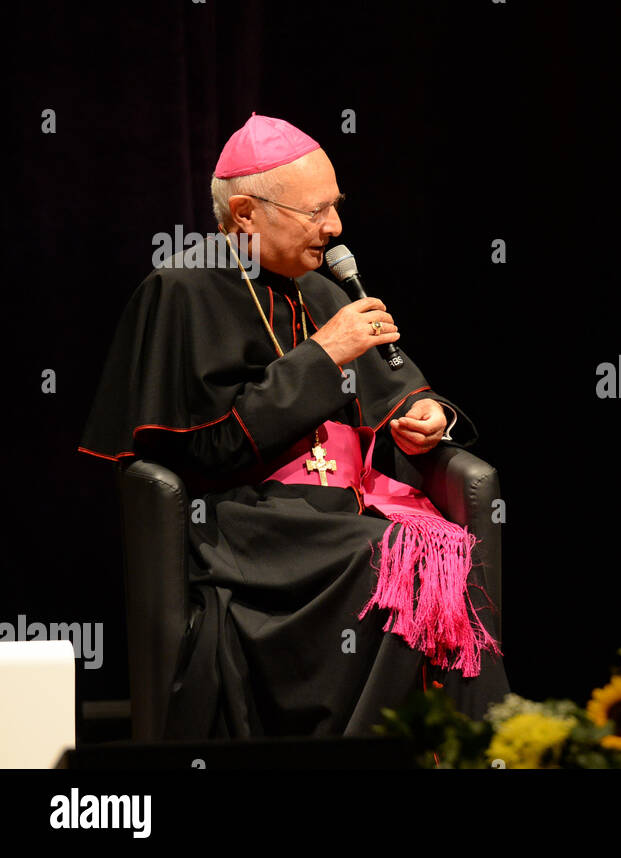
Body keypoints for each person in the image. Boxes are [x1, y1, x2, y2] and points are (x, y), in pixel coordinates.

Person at [79, 113, 509, 736]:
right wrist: (323, 356)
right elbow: (207, 448)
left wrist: (425, 416)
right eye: (316, 213)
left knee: (441, 561)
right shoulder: (179, 290)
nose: (335, 230)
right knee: (400, 558)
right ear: (247, 213)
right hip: (246, 520)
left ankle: (469, 749)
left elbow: (401, 392)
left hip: (338, 518)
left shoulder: (325, 290)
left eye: (335, 207)